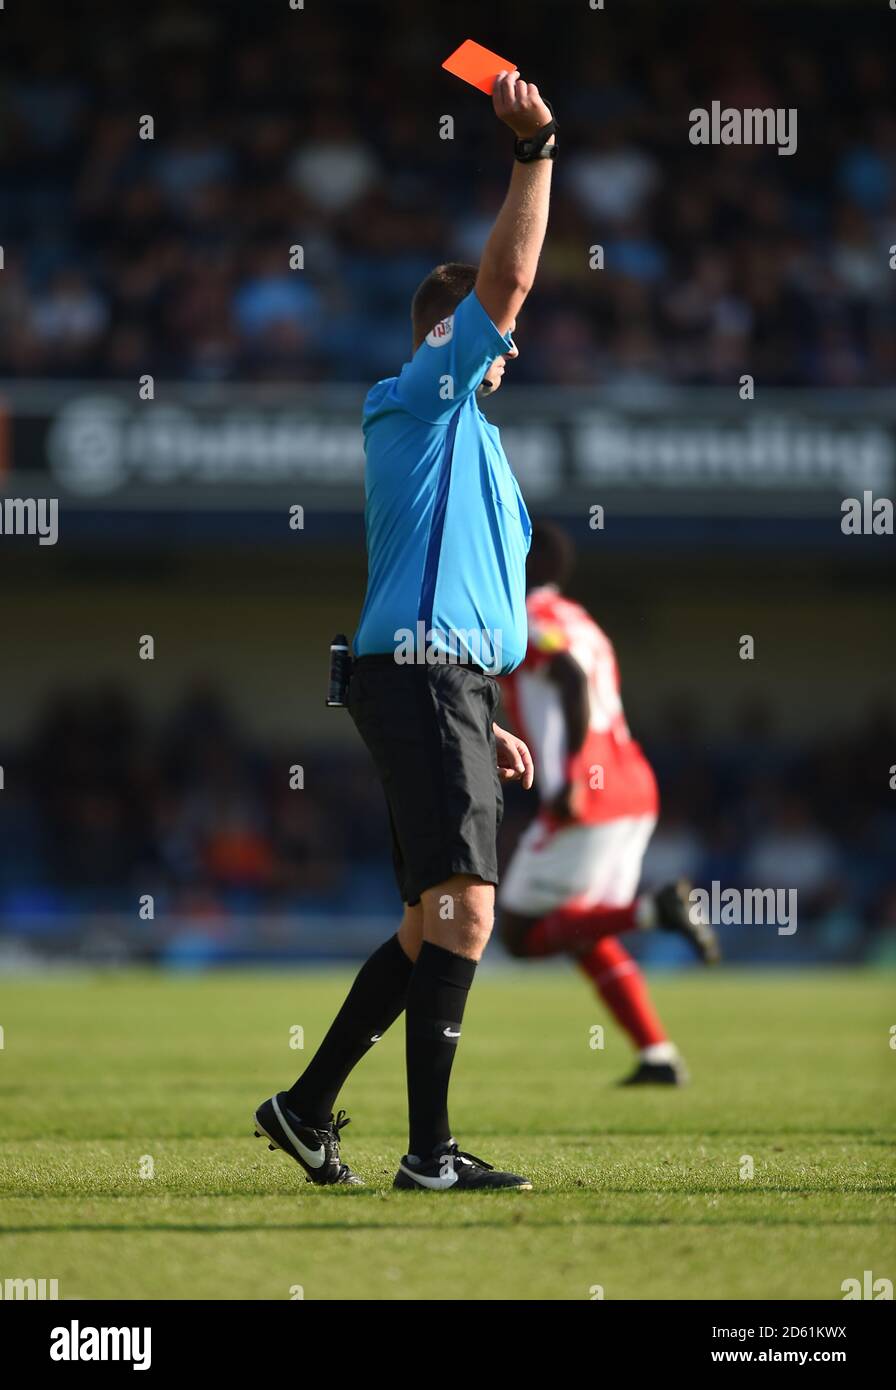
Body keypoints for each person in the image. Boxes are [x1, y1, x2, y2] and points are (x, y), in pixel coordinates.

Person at [255, 71, 558, 1190]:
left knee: (431, 923)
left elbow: (474, 596)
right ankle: (428, 1158)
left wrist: (486, 713)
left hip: (445, 684)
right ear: (450, 331)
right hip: (420, 678)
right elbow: (511, 277)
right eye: (490, 335)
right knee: (465, 911)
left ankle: (303, 1104)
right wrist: (535, 152)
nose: (506, 352)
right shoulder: (417, 395)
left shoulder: (481, 456)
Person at [498, 522, 720, 1084]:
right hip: (631, 785)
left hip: (588, 791)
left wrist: (571, 772)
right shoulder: (582, 621)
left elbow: (569, 679)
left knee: (519, 935)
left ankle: (653, 911)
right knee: (581, 928)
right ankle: (657, 1056)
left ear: (525, 562)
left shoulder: (531, 620)